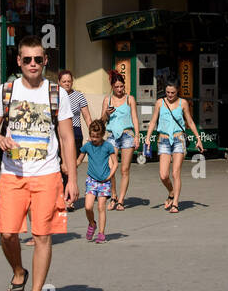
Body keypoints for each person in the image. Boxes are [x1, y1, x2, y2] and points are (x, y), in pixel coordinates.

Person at [0, 36, 78, 291]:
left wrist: (71, 178)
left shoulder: (56, 93)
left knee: (42, 236)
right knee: (7, 233)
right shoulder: (6, 91)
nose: (33, 64)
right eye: (27, 59)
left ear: (46, 60)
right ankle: (18, 271)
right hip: (13, 175)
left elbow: (67, 138)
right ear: (19, 61)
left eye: (38, 59)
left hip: (48, 175)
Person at [145, 78, 204, 212]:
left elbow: (190, 121)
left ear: (178, 91)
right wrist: (147, 138)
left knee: (175, 172)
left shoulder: (183, 103)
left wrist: (198, 138)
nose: (170, 95)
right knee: (163, 175)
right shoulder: (160, 103)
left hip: (178, 139)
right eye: (167, 92)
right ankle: (171, 191)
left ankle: (175, 203)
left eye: (172, 92)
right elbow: (153, 121)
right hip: (164, 140)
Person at [100, 71, 140, 209]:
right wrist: (106, 113)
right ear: (112, 86)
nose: (119, 89)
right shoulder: (107, 100)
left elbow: (135, 117)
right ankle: (113, 195)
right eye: (116, 87)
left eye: (121, 86)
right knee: (111, 168)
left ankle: (121, 200)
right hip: (112, 136)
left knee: (124, 169)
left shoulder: (130, 99)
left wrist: (137, 136)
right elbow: (102, 121)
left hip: (127, 135)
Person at [77, 119, 118, 244]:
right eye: (92, 136)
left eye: (97, 137)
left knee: (101, 207)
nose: (94, 139)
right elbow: (79, 160)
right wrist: (71, 166)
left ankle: (101, 233)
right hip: (91, 180)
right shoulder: (87, 146)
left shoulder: (108, 146)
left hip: (104, 182)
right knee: (88, 207)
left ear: (102, 135)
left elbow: (115, 163)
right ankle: (92, 223)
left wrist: (109, 176)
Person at [58, 69, 90, 154]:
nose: (67, 83)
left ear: (72, 82)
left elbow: (87, 117)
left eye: (69, 81)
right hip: (59, 132)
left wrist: (92, 132)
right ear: (59, 82)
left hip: (75, 132)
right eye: (64, 81)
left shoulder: (79, 96)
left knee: (74, 162)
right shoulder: (55, 96)